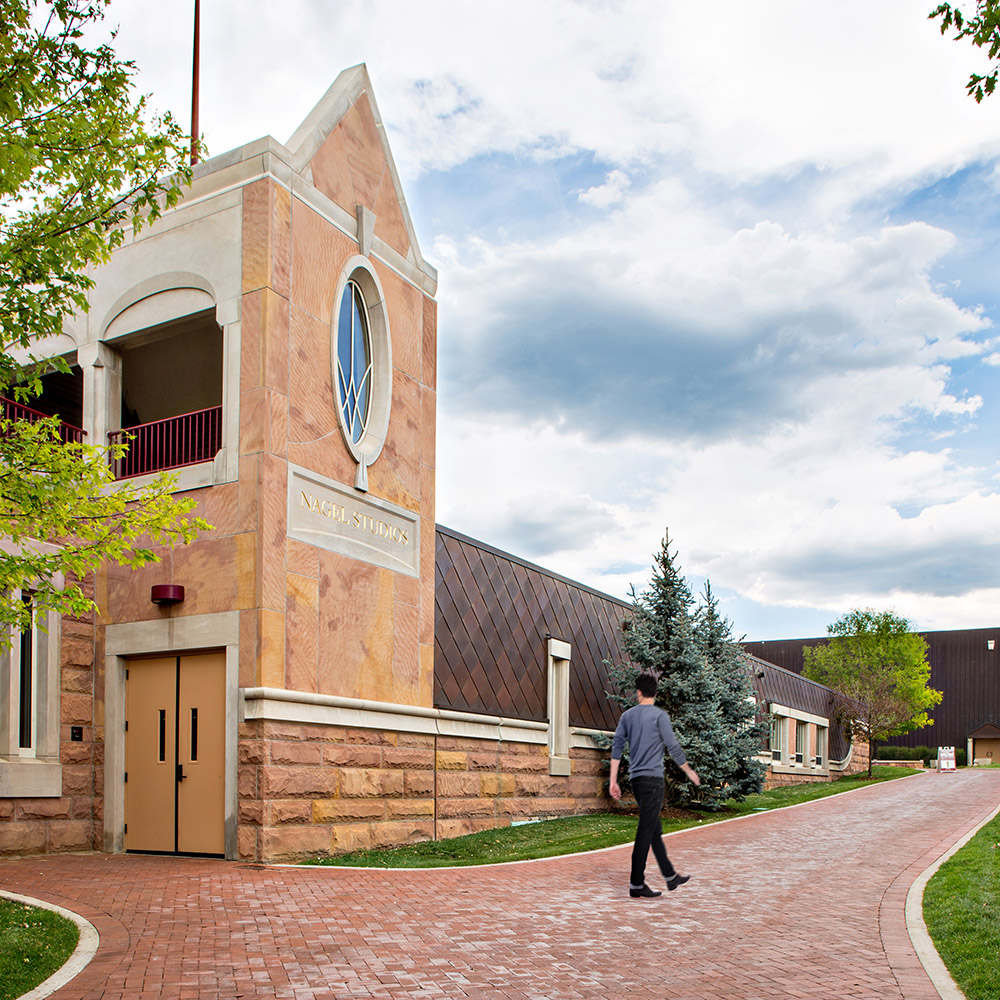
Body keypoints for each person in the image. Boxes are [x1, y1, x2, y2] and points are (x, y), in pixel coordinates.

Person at [609, 672, 700, 898]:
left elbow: (617, 747)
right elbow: (672, 746)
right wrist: (689, 771)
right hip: (653, 780)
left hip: (637, 781)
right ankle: (636, 884)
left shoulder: (627, 716)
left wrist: (613, 780)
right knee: (646, 829)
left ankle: (670, 876)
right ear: (655, 693)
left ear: (639, 692)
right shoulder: (660, 716)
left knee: (654, 828)